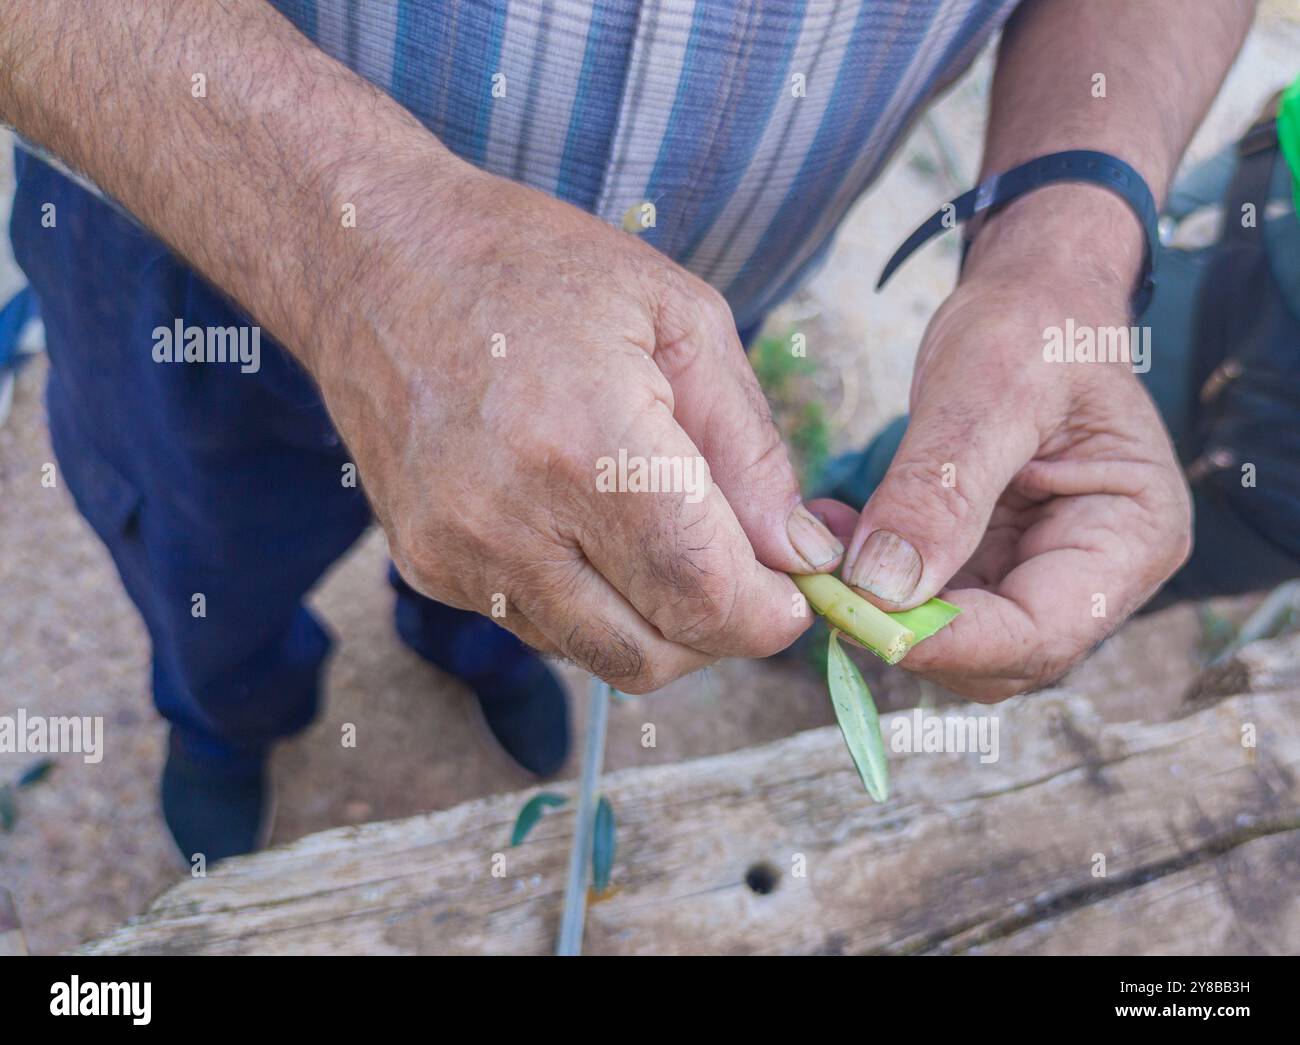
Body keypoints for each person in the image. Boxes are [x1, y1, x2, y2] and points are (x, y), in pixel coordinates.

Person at [0, 0, 1255, 859]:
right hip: (195, 261)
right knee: (202, 558)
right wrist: (363, 242)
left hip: (693, 330)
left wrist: (1065, 250)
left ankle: (473, 645)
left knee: (544, 572)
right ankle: (229, 716)